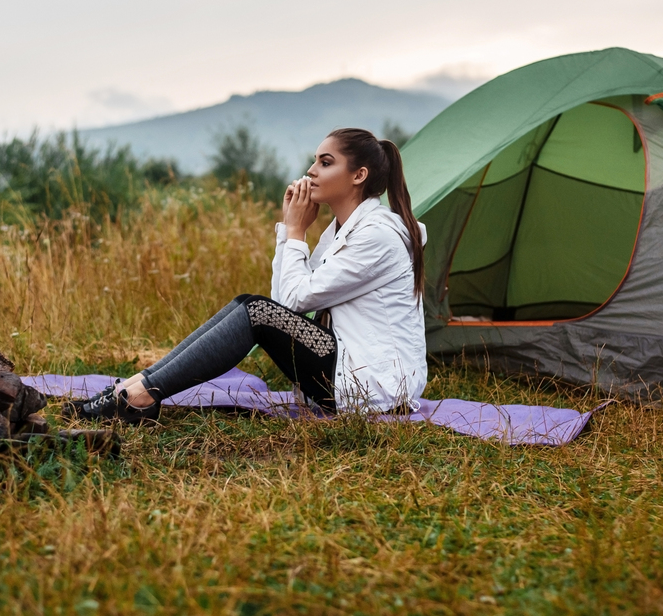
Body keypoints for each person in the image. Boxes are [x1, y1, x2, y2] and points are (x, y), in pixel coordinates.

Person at [67, 127, 428, 423]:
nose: (312, 170)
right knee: (249, 306)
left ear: (358, 176)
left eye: (325, 162)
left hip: (376, 386)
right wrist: (289, 232)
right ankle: (136, 387)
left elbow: (289, 304)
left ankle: (139, 396)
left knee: (255, 310)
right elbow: (283, 302)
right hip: (347, 366)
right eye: (314, 161)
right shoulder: (340, 230)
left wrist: (295, 233)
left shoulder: (378, 234)